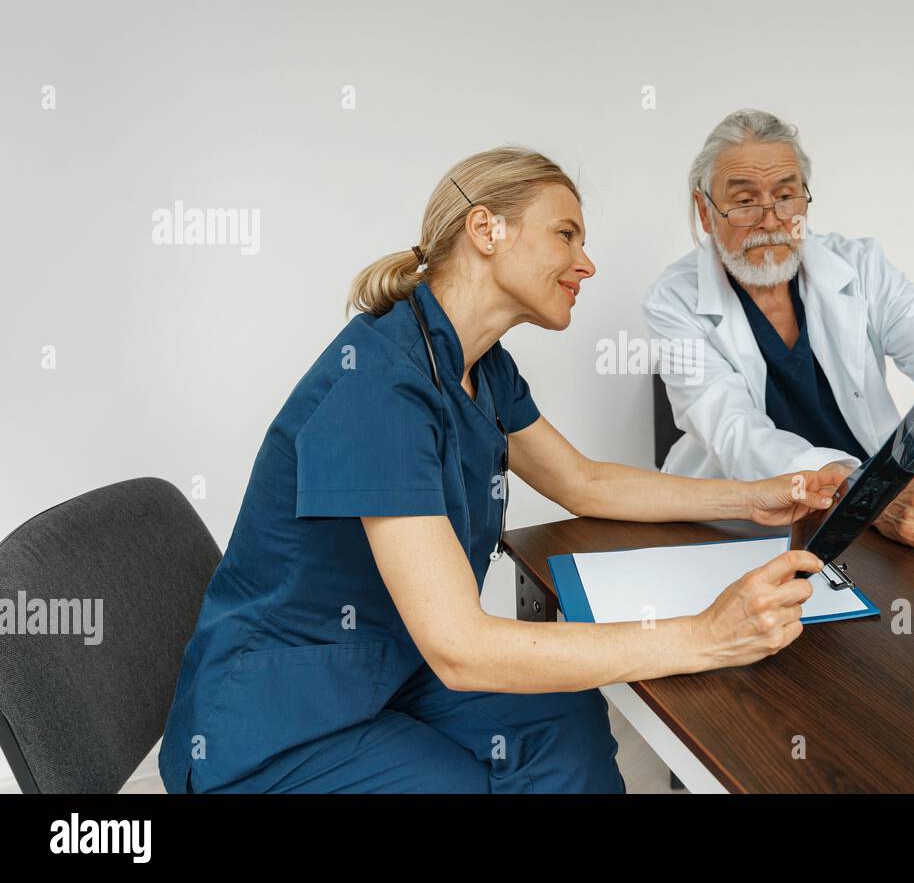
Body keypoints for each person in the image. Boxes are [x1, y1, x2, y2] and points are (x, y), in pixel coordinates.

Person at [158, 146, 844, 794]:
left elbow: (583, 482)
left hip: (389, 663)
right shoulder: (378, 387)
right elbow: (460, 649)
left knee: (564, 721)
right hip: (278, 719)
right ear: (486, 230)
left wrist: (757, 495)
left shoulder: (476, 364)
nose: (587, 263)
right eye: (566, 235)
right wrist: (704, 635)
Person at [643, 109, 914, 553]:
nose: (770, 221)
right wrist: (865, 491)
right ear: (705, 212)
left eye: (786, 196)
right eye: (745, 201)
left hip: (871, 519)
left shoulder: (860, 265)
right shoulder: (673, 299)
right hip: (741, 527)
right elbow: (736, 433)